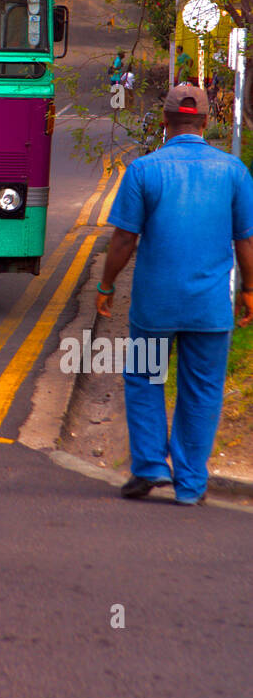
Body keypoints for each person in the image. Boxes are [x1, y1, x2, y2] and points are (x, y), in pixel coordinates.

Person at [95, 84, 253, 505]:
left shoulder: (144, 171)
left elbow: (123, 240)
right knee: (202, 390)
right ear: (206, 122)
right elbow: (246, 243)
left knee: (145, 378)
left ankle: (149, 467)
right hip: (210, 306)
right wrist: (250, 291)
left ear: (164, 122)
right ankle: (190, 485)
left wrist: (106, 285)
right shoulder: (234, 172)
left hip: (155, 306)